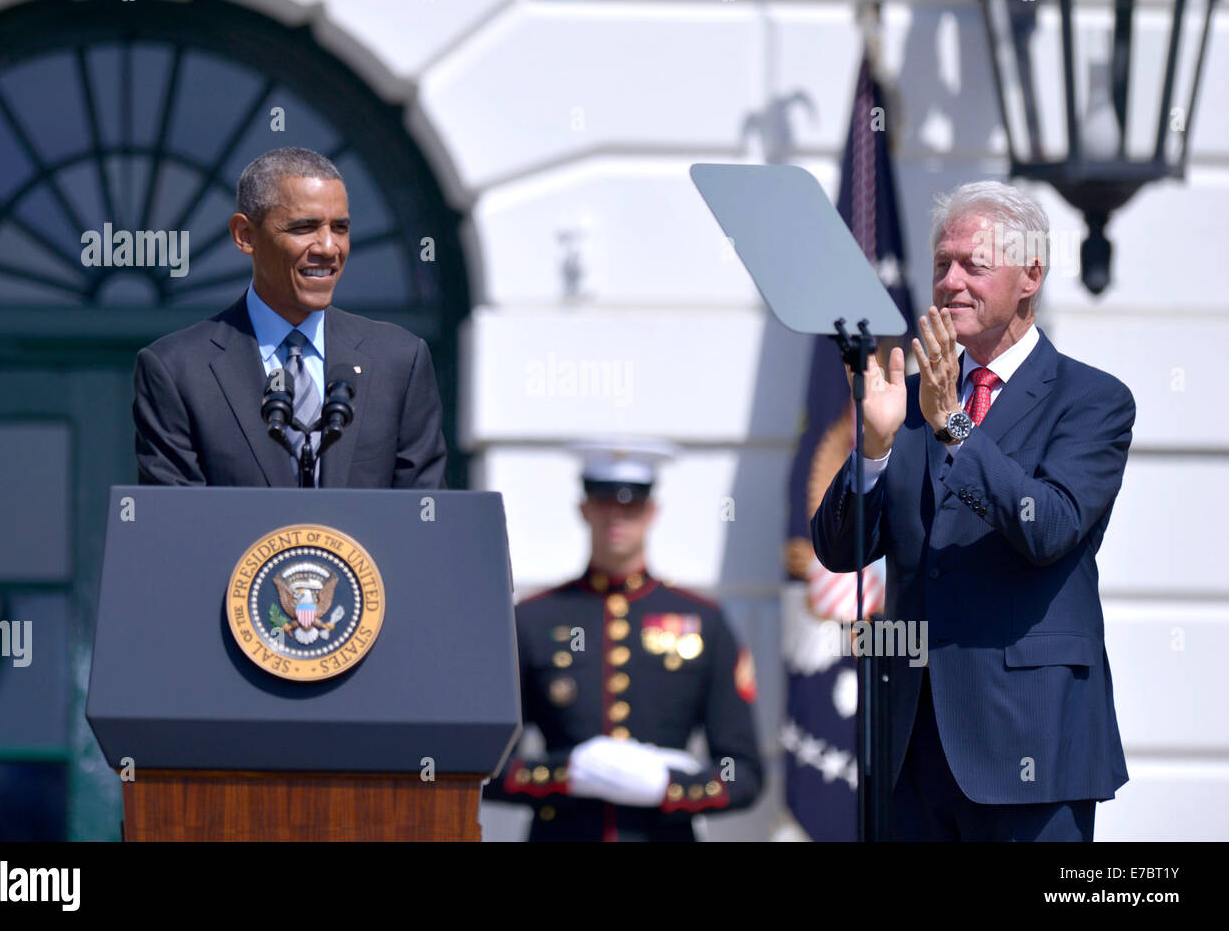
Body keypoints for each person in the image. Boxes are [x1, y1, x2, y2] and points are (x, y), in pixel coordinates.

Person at [811, 181, 1134, 841]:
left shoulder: (1091, 400)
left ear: (1030, 275)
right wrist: (872, 448)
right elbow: (838, 551)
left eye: (973, 265)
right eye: (941, 264)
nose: (950, 282)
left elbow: (1048, 528)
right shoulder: (905, 401)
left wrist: (954, 424)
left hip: (1030, 744)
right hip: (909, 751)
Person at [483, 440, 763, 841]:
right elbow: (486, 766)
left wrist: (667, 785)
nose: (616, 515)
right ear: (583, 509)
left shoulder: (704, 621)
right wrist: (567, 775)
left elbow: (745, 774)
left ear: (652, 512)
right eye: (602, 501)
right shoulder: (532, 620)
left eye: (630, 505)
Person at [132, 147, 446, 488]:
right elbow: (176, 526)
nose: (328, 247)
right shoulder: (177, 370)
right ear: (245, 235)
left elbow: (423, 519)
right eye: (304, 228)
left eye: (340, 228)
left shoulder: (399, 361)